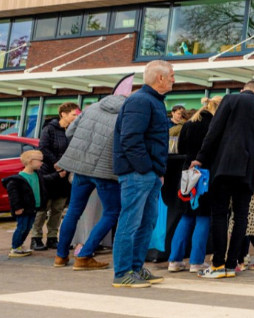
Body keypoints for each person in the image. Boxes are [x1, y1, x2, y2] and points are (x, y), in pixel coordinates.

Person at [193, 81, 254, 279]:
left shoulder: (230, 99)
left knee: (219, 214)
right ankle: (231, 264)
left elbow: (214, 131)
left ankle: (218, 264)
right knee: (241, 216)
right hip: (248, 169)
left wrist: (201, 158)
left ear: (242, 89)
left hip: (225, 166)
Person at [111, 60, 175, 289]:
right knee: (130, 222)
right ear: (160, 78)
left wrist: (156, 171)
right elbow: (130, 138)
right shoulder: (141, 101)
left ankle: (136, 269)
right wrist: (146, 168)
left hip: (149, 174)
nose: (173, 80)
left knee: (146, 223)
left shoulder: (151, 101)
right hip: (138, 174)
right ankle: (122, 273)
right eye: (171, 76)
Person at [54, 93, 128, 270]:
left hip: (81, 166)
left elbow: (70, 132)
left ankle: (60, 256)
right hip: (105, 169)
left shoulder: (91, 108)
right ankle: (85, 255)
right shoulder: (126, 113)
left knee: (73, 211)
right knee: (111, 212)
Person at [169, 96, 221, 272]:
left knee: (186, 216)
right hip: (207, 174)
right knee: (203, 217)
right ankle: (196, 261)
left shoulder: (189, 124)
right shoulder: (216, 125)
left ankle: (174, 260)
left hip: (187, 174)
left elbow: (182, 150)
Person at [32, 102, 80, 251]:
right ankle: (36, 238)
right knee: (43, 207)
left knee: (58, 208)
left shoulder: (73, 131)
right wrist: (56, 164)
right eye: (74, 114)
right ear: (63, 114)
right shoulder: (49, 129)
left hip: (64, 175)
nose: (76, 117)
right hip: (48, 173)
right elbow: (43, 148)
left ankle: (52, 237)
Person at [5, 150, 44, 258]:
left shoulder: (37, 175)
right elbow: (14, 195)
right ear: (31, 162)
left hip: (33, 207)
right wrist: (17, 207)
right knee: (22, 226)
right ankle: (15, 247)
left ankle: (19, 245)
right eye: (40, 160)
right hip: (23, 208)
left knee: (28, 227)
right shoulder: (17, 179)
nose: (42, 163)